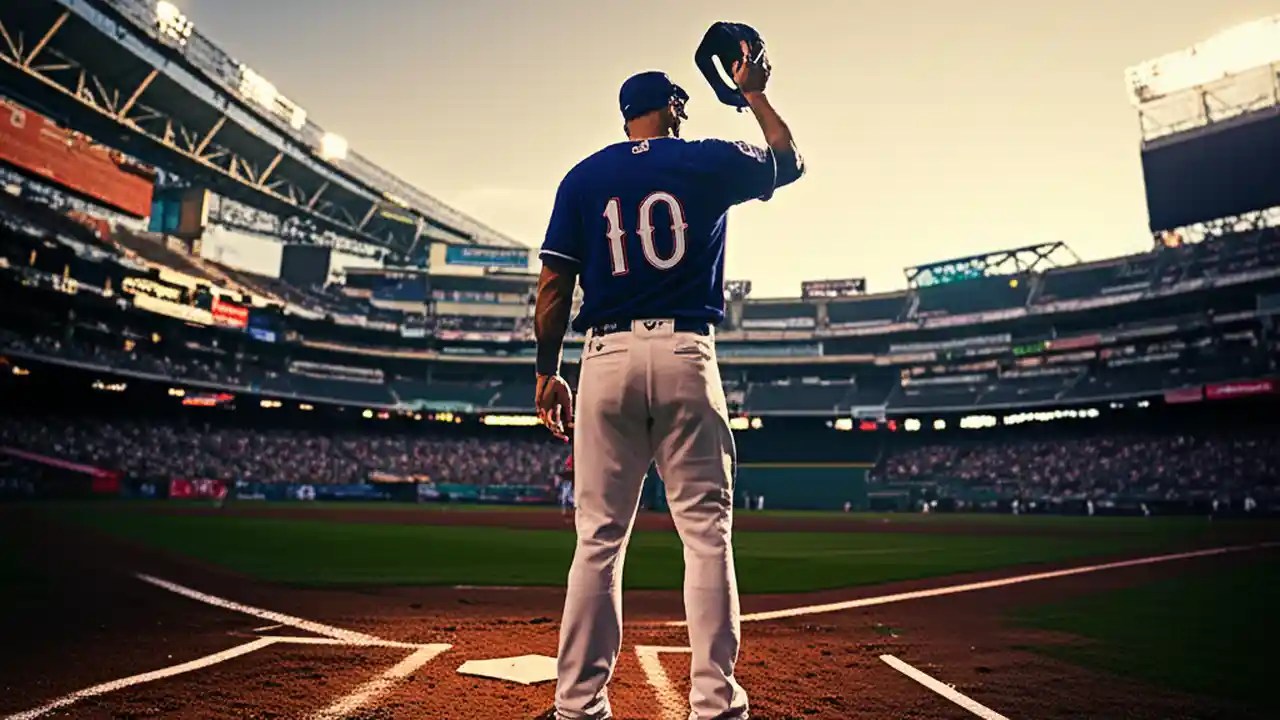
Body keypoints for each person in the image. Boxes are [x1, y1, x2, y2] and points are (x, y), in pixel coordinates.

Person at [533, 41, 803, 720]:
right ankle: (715, 705)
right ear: (672, 108)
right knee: (706, 534)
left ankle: (578, 706)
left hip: (605, 359)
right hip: (686, 350)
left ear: (627, 118)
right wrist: (752, 92)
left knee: (598, 538)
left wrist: (547, 373)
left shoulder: (583, 177)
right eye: (680, 101)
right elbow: (789, 160)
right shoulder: (709, 157)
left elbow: (552, 287)